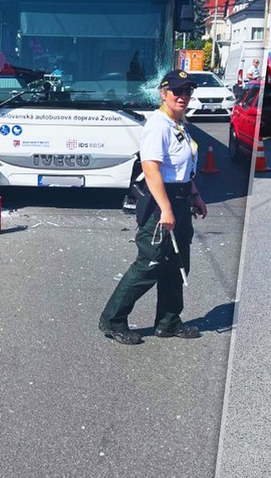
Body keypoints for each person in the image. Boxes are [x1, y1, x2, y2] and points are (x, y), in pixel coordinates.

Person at [99, 69, 208, 345]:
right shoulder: (158, 125)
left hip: (181, 198)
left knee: (177, 263)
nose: (183, 96)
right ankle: (113, 320)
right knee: (150, 263)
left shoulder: (178, 123)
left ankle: (168, 321)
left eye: (187, 91)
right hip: (162, 202)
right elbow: (151, 170)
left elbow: (181, 169)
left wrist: (194, 194)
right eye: (177, 91)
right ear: (164, 93)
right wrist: (166, 209)